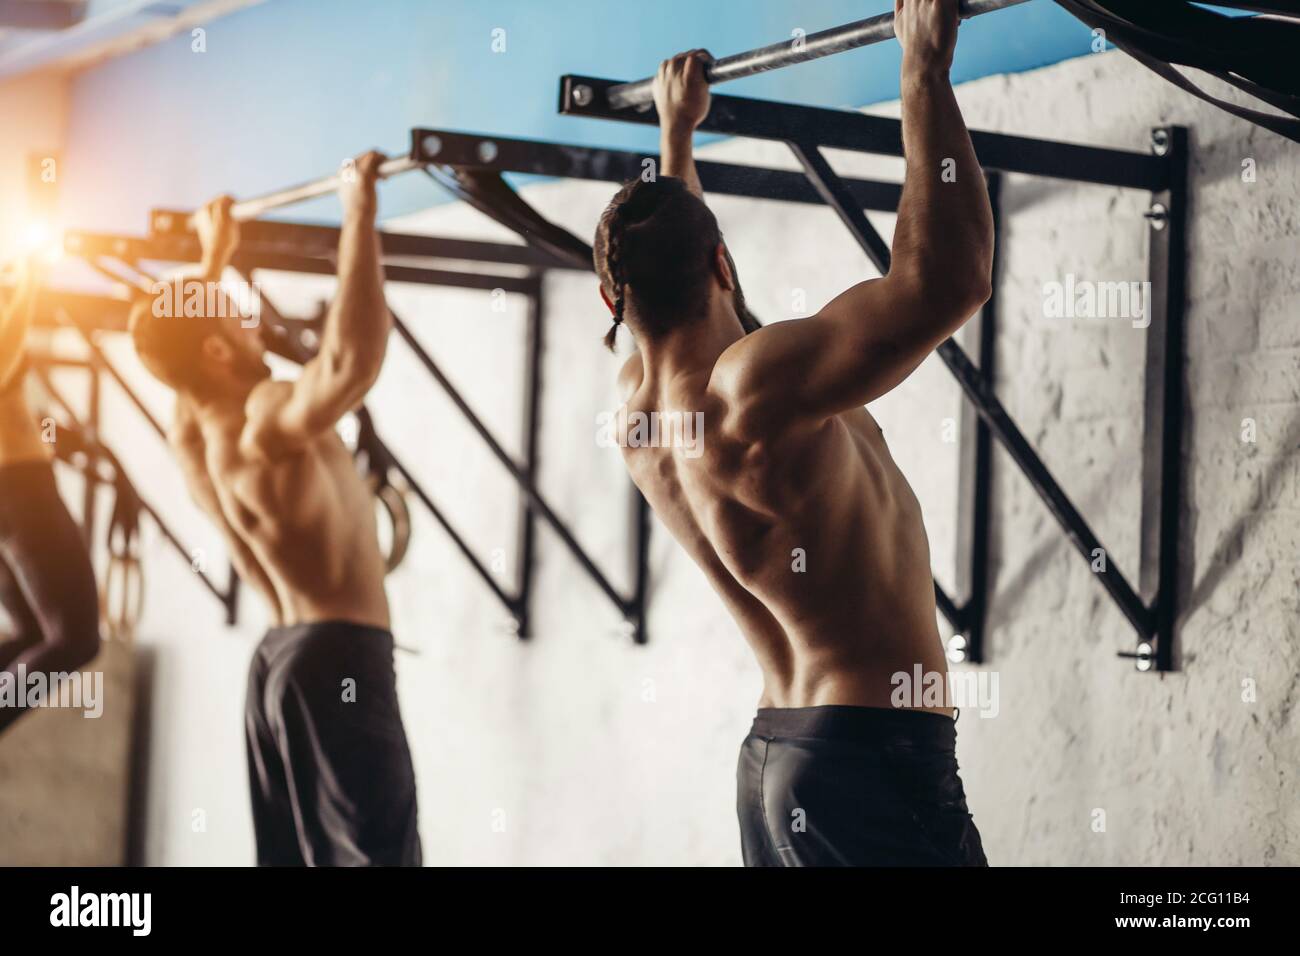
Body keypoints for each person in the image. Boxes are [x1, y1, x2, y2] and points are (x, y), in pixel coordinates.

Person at [592, 0, 992, 865]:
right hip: (869, 761)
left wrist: (677, 141)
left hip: (778, 763)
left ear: (612, 303)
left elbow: (683, 290)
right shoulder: (750, 390)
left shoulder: (640, 421)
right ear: (722, 265)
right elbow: (947, 280)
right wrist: (922, 66)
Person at [129, 153, 420, 866]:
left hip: (278, 665)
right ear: (219, 349)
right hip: (337, 659)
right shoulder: (262, 419)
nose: (258, 329)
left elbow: (172, 342)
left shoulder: (190, 432)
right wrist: (359, 214)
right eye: (241, 322)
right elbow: (350, 364)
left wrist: (213, 257)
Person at [0, 258, 103, 735]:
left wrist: (64, 440)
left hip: (15, 492)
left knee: (33, 635)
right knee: (76, 640)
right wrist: (31, 282)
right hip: (22, 493)